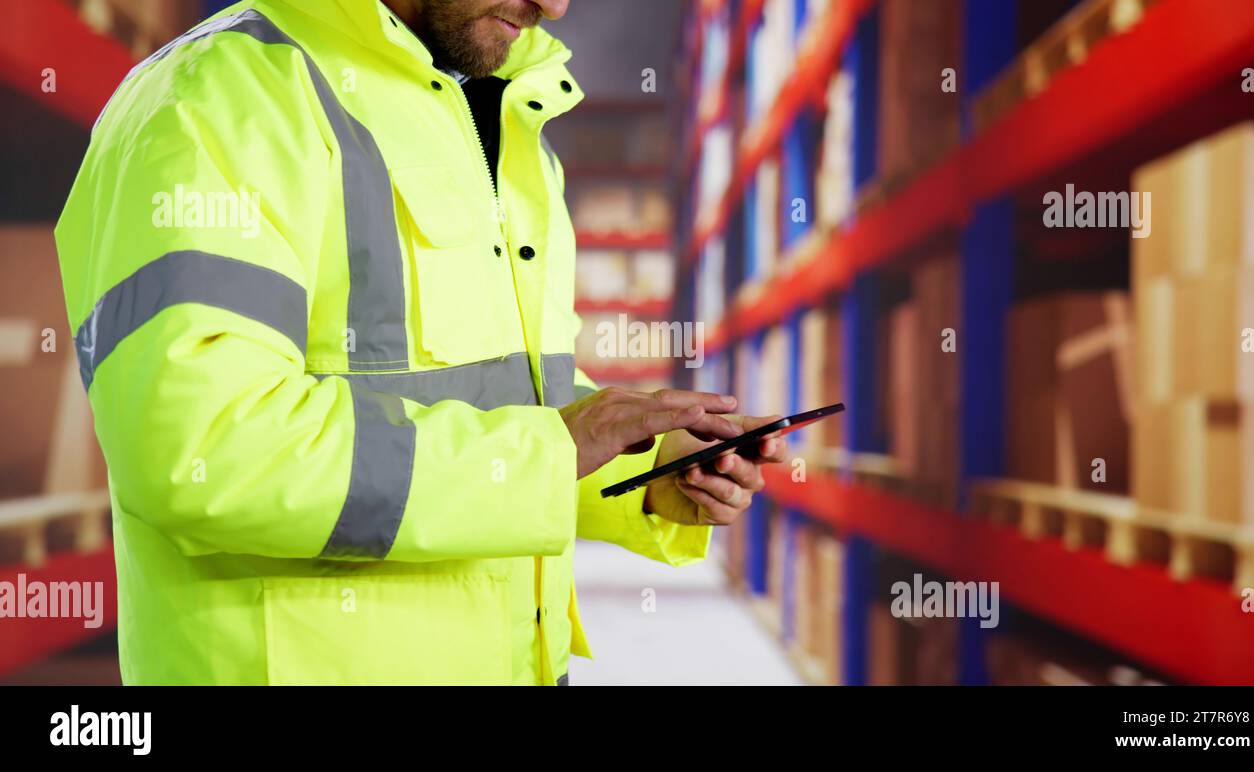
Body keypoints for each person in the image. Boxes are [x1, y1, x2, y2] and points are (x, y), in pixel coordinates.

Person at [54, 0, 787, 685]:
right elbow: (201, 449)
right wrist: (554, 452)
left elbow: (497, 403)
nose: (556, 6)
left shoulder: (491, 122)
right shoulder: (214, 100)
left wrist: (641, 468)